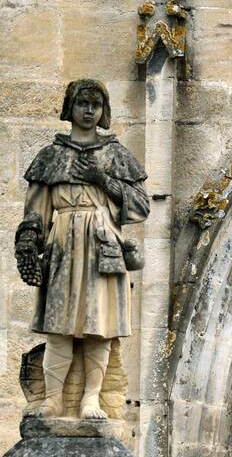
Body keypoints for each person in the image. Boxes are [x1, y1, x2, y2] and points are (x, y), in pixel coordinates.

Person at [15, 79, 149, 419]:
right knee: (58, 326)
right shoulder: (52, 156)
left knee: (98, 327)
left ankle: (92, 398)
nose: (89, 111)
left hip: (103, 248)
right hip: (62, 244)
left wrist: (103, 179)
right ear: (70, 108)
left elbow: (140, 206)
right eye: (82, 104)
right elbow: (36, 210)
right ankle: (54, 398)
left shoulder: (115, 155)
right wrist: (29, 242)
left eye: (96, 105)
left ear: (103, 111)